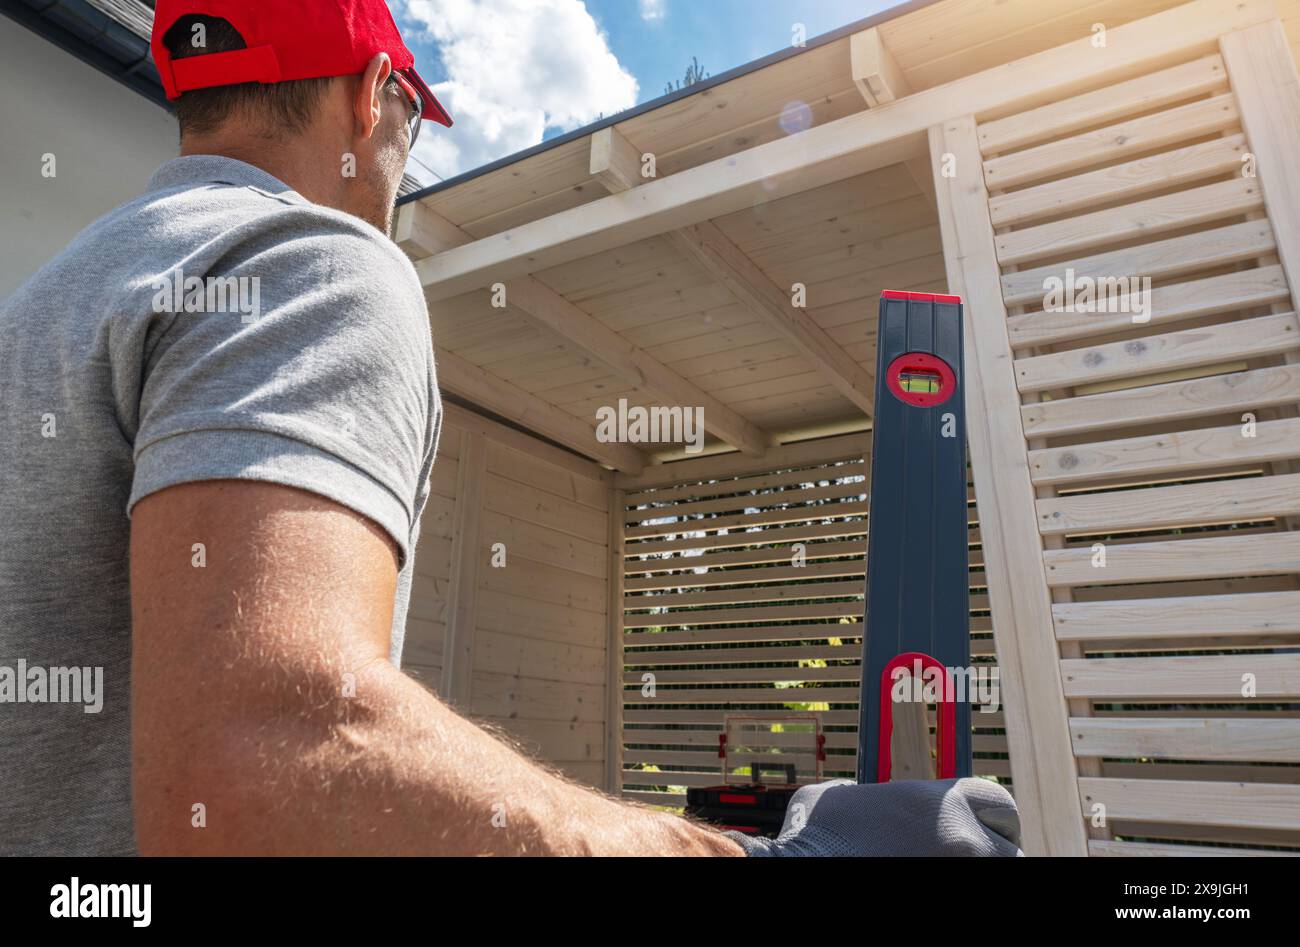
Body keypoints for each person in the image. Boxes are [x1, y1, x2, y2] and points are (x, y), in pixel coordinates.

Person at [0, 0, 1021, 857]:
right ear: (372, 95)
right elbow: (272, 759)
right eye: (415, 115)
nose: (407, 153)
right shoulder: (311, 258)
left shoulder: (42, 306)